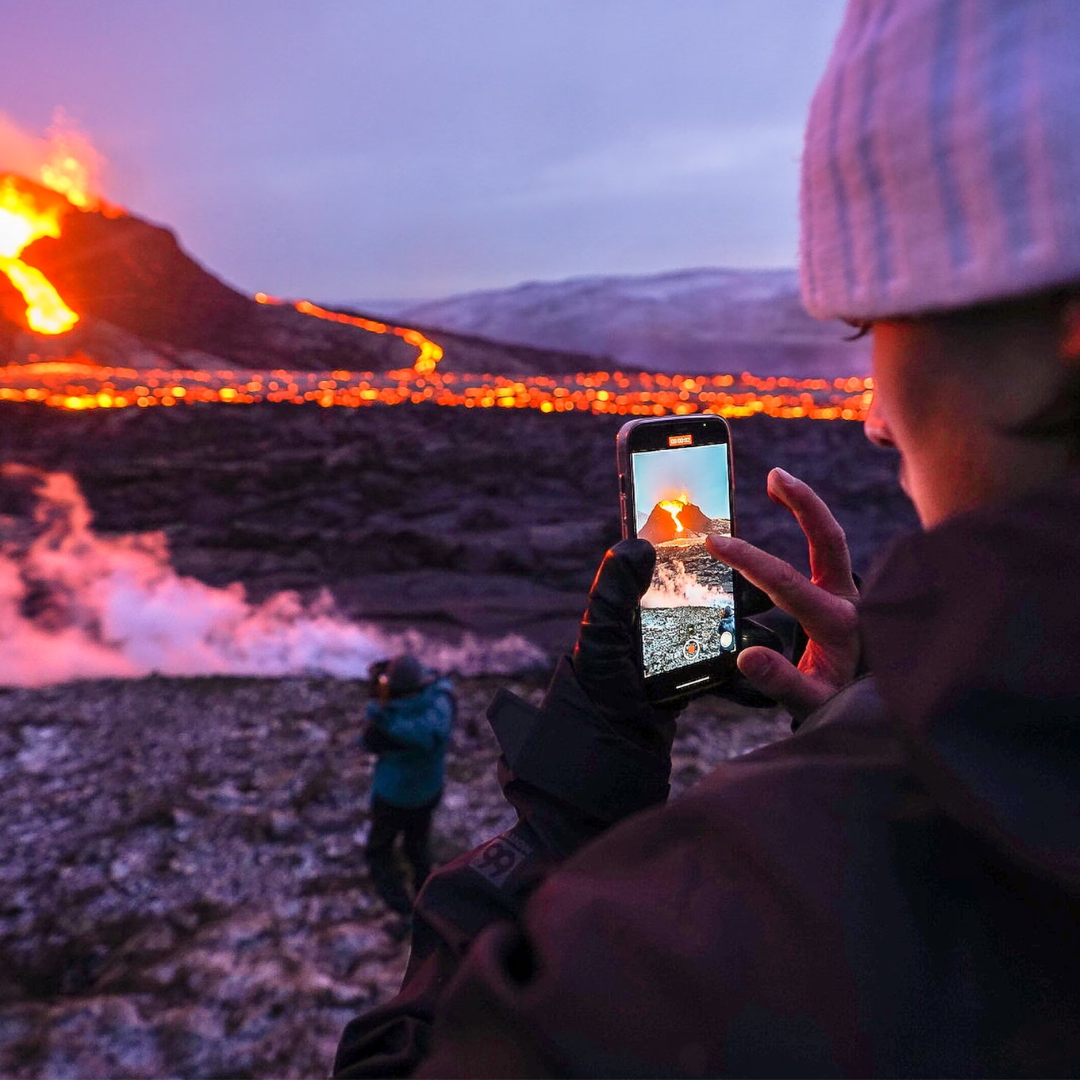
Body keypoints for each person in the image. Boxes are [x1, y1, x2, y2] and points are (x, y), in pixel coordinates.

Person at [335, 1, 1080, 1075]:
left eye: (876, 326)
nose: (873, 415)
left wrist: (579, 787)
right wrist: (905, 727)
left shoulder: (722, 950)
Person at [361, 654, 455, 925]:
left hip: (393, 797)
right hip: (427, 792)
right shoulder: (441, 704)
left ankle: (402, 908)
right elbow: (441, 681)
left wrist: (379, 696)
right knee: (417, 847)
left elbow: (367, 739)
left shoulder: (391, 723)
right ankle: (428, 899)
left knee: (379, 850)